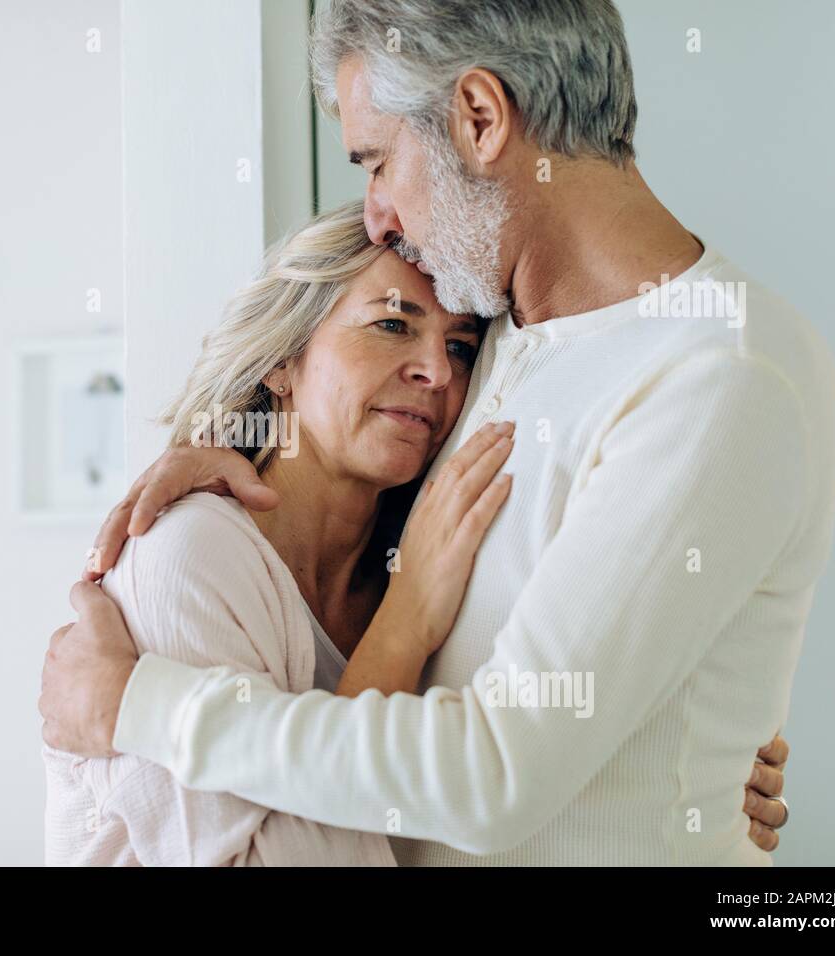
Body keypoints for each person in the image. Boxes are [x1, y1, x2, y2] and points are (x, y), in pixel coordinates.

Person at [41, 0, 835, 864]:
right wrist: (233, 443)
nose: (378, 213)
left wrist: (141, 707)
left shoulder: (720, 373)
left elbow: (494, 773)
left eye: (378, 162)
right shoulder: (495, 337)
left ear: (481, 119)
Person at [45, 200, 507, 865]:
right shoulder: (187, 553)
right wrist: (402, 629)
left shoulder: (429, 561)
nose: (437, 372)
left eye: (460, 347)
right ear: (283, 361)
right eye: (390, 324)